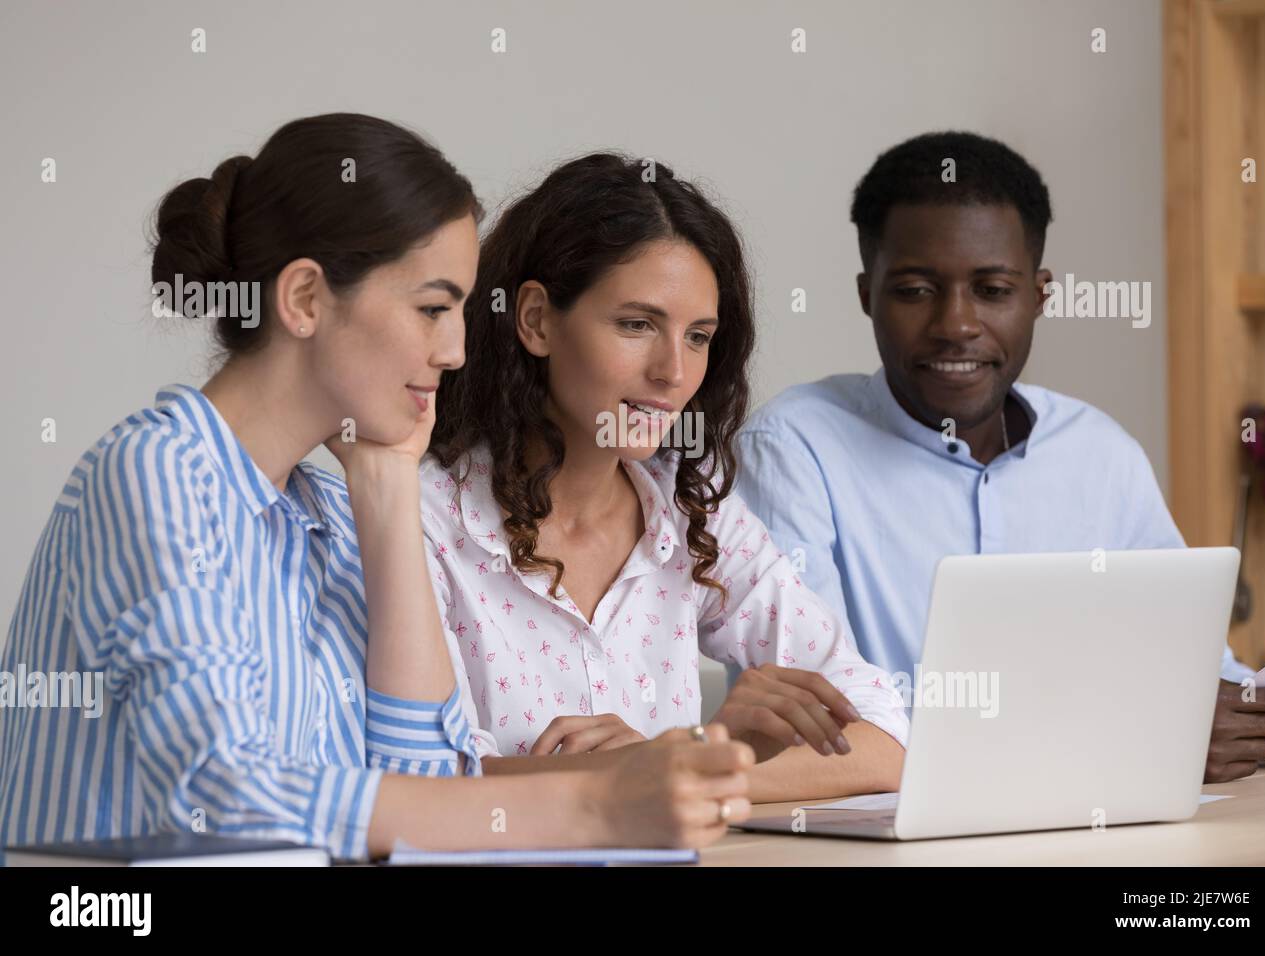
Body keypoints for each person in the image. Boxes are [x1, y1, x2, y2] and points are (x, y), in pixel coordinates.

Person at [0, 114, 752, 863]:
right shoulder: (157, 472)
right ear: (302, 300)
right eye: (431, 308)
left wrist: (387, 483)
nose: (457, 350)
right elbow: (220, 790)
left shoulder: (326, 510)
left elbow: (422, 785)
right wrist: (596, 803)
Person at [734, 130, 1265, 785]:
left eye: (993, 289)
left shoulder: (1099, 454)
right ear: (868, 294)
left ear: (1039, 295)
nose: (956, 324)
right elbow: (827, 718)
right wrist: (1135, 732)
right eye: (915, 290)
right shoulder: (793, 450)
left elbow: (1193, 667)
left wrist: (1263, 724)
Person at [422, 153, 908, 804]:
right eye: (637, 324)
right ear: (536, 319)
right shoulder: (424, 518)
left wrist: (691, 772)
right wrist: (661, 773)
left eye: (699, 336)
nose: (673, 373)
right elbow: (430, 779)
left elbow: (881, 733)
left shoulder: (689, 510)